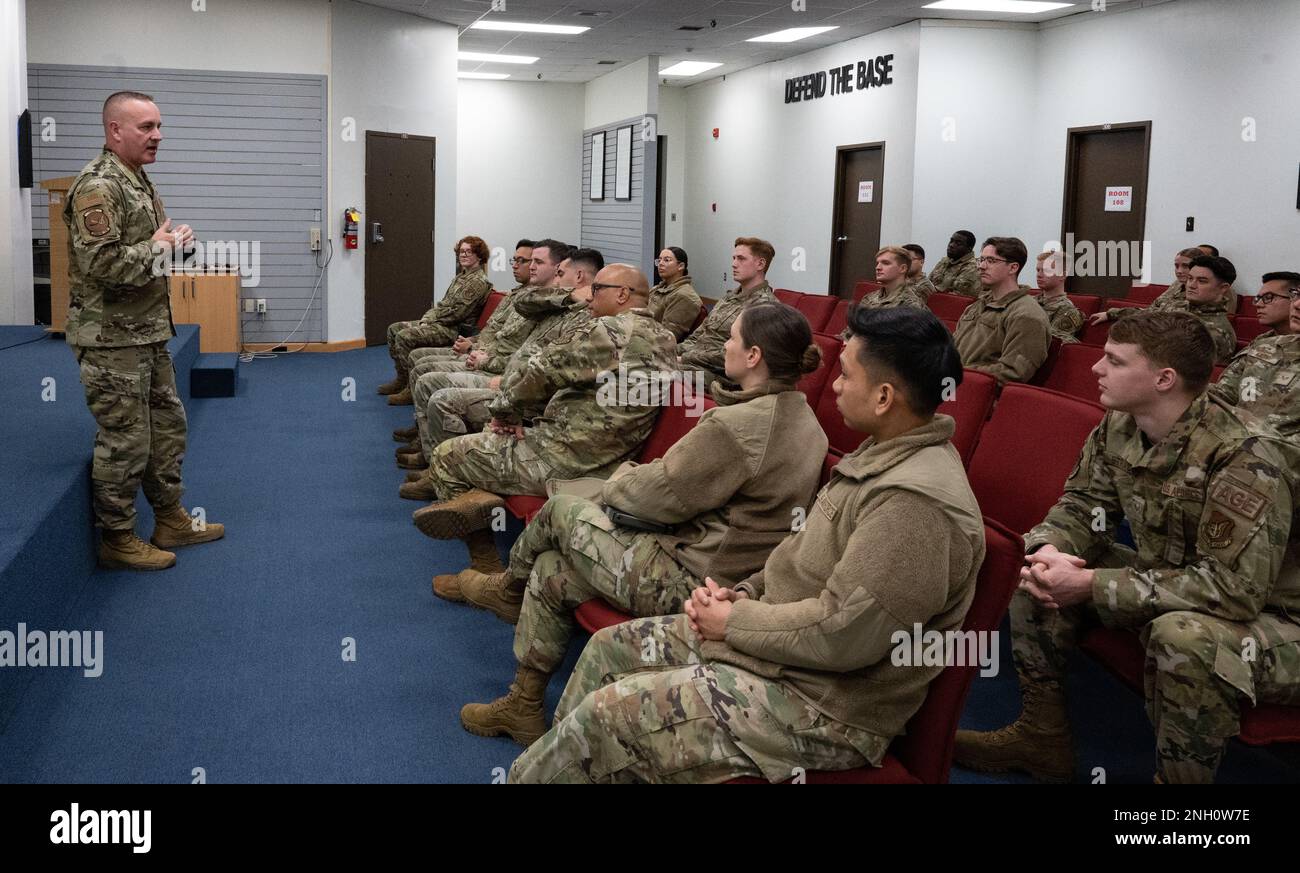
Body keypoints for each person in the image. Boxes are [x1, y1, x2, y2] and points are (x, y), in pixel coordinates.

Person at [506, 305, 986, 783]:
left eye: (845, 374)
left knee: (612, 714)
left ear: (884, 396)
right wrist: (745, 595)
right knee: (609, 650)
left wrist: (733, 621)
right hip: (783, 653)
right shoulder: (879, 455)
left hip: (824, 709)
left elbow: (845, 634)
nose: (833, 385)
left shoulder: (914, 504)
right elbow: (795, 559)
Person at [451, 303, 829, 745]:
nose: (724, 343)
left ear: (753, 357)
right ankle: (523, 703)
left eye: (733, 337)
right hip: (718, 571)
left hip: (691, 581)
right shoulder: (806, 421)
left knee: (560, 509)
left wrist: (625, 474)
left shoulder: (738, 426)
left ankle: (509, 588)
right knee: (554, 569)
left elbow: (650, 498)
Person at [954, 311, 1297, 784]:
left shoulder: (1246, 453)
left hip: (1278, 619)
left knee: (1185, 639)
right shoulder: (1121, 423)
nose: (1095, 368)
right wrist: (1051, 548)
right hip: (1181, 577)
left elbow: (1234, 590)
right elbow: (1084, 505)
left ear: (1163, 379)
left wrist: (1093, 585)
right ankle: (1041, 737)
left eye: (1114, 361)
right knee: (1037, 570)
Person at [64, 90, 224, 571]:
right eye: (146, 127)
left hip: (147, 332)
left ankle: (170, 518)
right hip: (111, 340)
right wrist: (157, 247)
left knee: (166, 430)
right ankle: (116, 537)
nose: (158, 136)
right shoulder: (98, 186)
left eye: (159, 126)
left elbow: (145, 250)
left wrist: (175, 244)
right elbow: (100, 261)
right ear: (115, 130)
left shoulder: (137, 180)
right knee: (126, 440)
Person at [411, 264, 678, 541]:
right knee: (487, 439)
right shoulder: (665, 337)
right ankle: (481, 498)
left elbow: (542, 369)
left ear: (622, 294)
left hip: (563, 458)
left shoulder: (611, 330)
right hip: (610, 459)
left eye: (597, 289)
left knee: (446, 456)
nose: (590, 296)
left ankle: (483, 559)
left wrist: (506, 413)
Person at [397, 249, 599, 473]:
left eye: (559, 272)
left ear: (579, 277)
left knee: (439, 394)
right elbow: (524, 302)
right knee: (425, 375)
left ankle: (439, 469)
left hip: (517, 391)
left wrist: (501, 378)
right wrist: (568, 295)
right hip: (506, 377)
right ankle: (431, 456)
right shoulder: (556, 303)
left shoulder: (587, 319)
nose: (529, 266)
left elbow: (548, 370)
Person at [394, 239, 536, 446]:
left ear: (480, 256)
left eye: (523, 261)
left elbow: (511, 349)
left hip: (476, 351)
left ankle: (429, 446)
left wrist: (474, 349)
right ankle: (422, 432)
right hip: (476, 349)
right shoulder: (514, 294)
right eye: (514, 260)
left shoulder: (531, 304)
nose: (515, 265)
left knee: (419, 363)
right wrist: (472, 342)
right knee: (412, 353)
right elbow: (492, 331)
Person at [377, 235, 493, 404]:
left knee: (405, 336)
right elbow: (443, 305)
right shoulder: (461, 277)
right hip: (441, 322)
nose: (464, 255)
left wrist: (431, 320)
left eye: (469, 251)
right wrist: (428, 318)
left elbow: (457, 314)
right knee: (394, 329)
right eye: (461, 251)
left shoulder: (478, 282)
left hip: (455, 329)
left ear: (479, 256)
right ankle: (402, 379)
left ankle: (411, 389)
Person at [677, 237, 778, 384]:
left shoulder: (765, 307)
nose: (734, 264)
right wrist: (672, 352)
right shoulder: (729, 297)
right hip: (692, 364)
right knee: (642, 360)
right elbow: (699, 334)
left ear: (760, 264)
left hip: (720, 376)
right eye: (734, 258)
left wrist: (683, 358)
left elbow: (739, 356)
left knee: (646, 374)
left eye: (741, 259)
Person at [952, 237, 1051, 386]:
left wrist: (957, 374)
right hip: (953, 386)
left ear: (1013, 268)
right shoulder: (976, 306)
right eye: (982, 259)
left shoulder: (1027, 315)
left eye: (991, 261)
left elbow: (1013, 372)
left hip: (982, 395)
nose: (982, 266)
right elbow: (951, 348)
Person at [1092, 248, 1200, 324]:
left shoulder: (1203, 292)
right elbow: (1150, 311)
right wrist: (1112, 314)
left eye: (1185, 266)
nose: (1179, 271)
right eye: (1176, 266)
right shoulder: (1177, 285)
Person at [648, 247, 703, 341]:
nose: (660, 263)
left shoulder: (684, 296)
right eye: (659, 260)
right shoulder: (657, 288)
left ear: (681, 266)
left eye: (666, 260)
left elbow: (667, 336)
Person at [1034, 251, 1084, 343]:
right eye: (1038, 270)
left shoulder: (1068, 310)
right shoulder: (1030, 302)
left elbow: (1053, 343)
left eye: (1047, 271)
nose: (1039, 275)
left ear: (1063, 275)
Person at [858, 247, 926, 310]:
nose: (878, 268)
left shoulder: (910, 304)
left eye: (886, 263)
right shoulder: (868, 298)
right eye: (878, 263)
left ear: (902, 268)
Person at [1243, 272, 1300, 342]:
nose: (1258, 304)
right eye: (1258, 298)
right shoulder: (1261, 339)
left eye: (1268, 297)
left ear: (1292, 299)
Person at [928, 230, 980, 296]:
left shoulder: (973, 267)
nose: (951, 245)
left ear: (969, 248)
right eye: (951, 241)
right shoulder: (944, 261)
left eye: (958, 243)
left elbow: (955, 297)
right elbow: (928, 283)